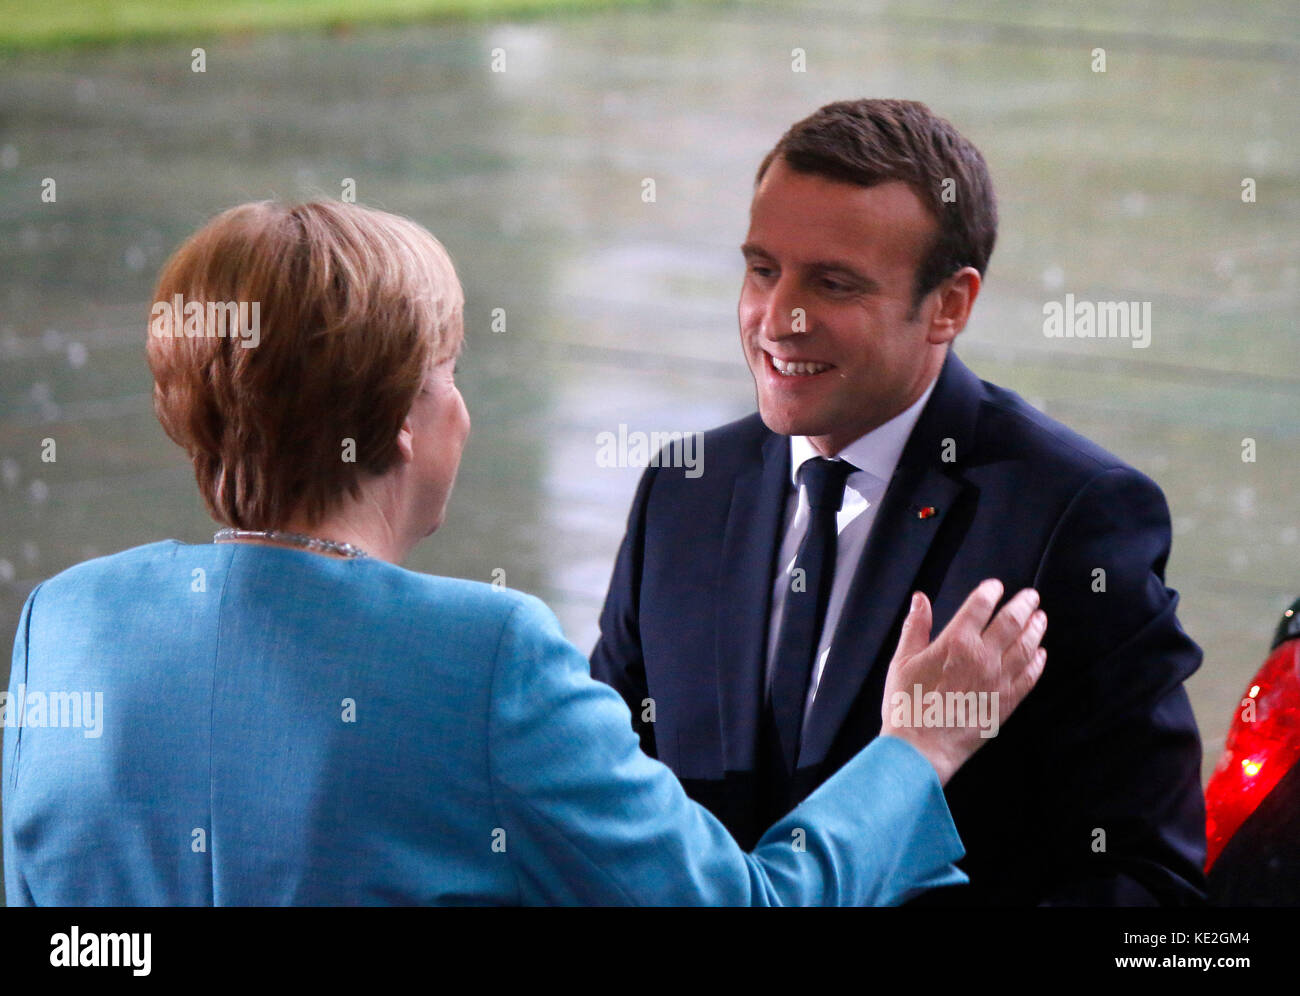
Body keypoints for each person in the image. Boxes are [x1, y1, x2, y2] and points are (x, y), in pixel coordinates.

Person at [2, 199, 1047, 906]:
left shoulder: (69, 621)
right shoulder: (483, 657)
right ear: (405, 423)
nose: (463, 406)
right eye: (449, 372)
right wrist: (917, 748)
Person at [591, 99, 1208, 905]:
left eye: (833, 283)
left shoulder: (1074, 519)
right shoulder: (682, 489)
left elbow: (1150, 892)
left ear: (949, 305)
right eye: (762, 269)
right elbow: (602, 813)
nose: (777, 320)